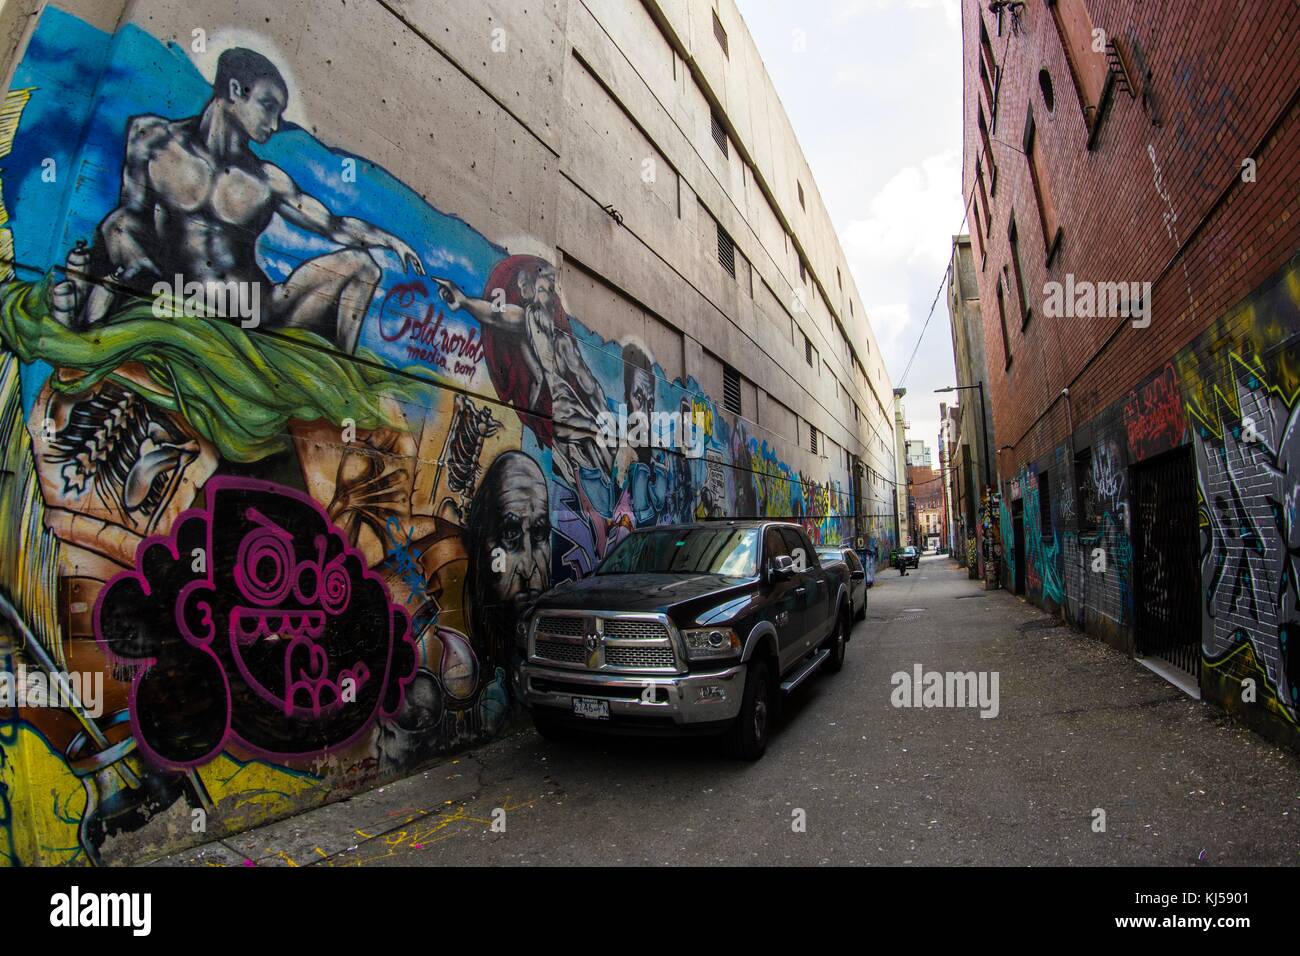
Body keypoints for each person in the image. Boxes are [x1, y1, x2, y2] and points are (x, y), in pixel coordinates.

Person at [51, 47, 424, 352]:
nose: (275, 124)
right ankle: (95, 324)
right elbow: (129, 218)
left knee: (364, 266)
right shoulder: (152, 139)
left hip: (259, 311)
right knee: (117, 226)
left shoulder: (267, 180)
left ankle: (341, 375)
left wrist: (390, 240)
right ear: (233, 90)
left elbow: (335, 227)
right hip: (172, 291)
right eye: (268, 106)